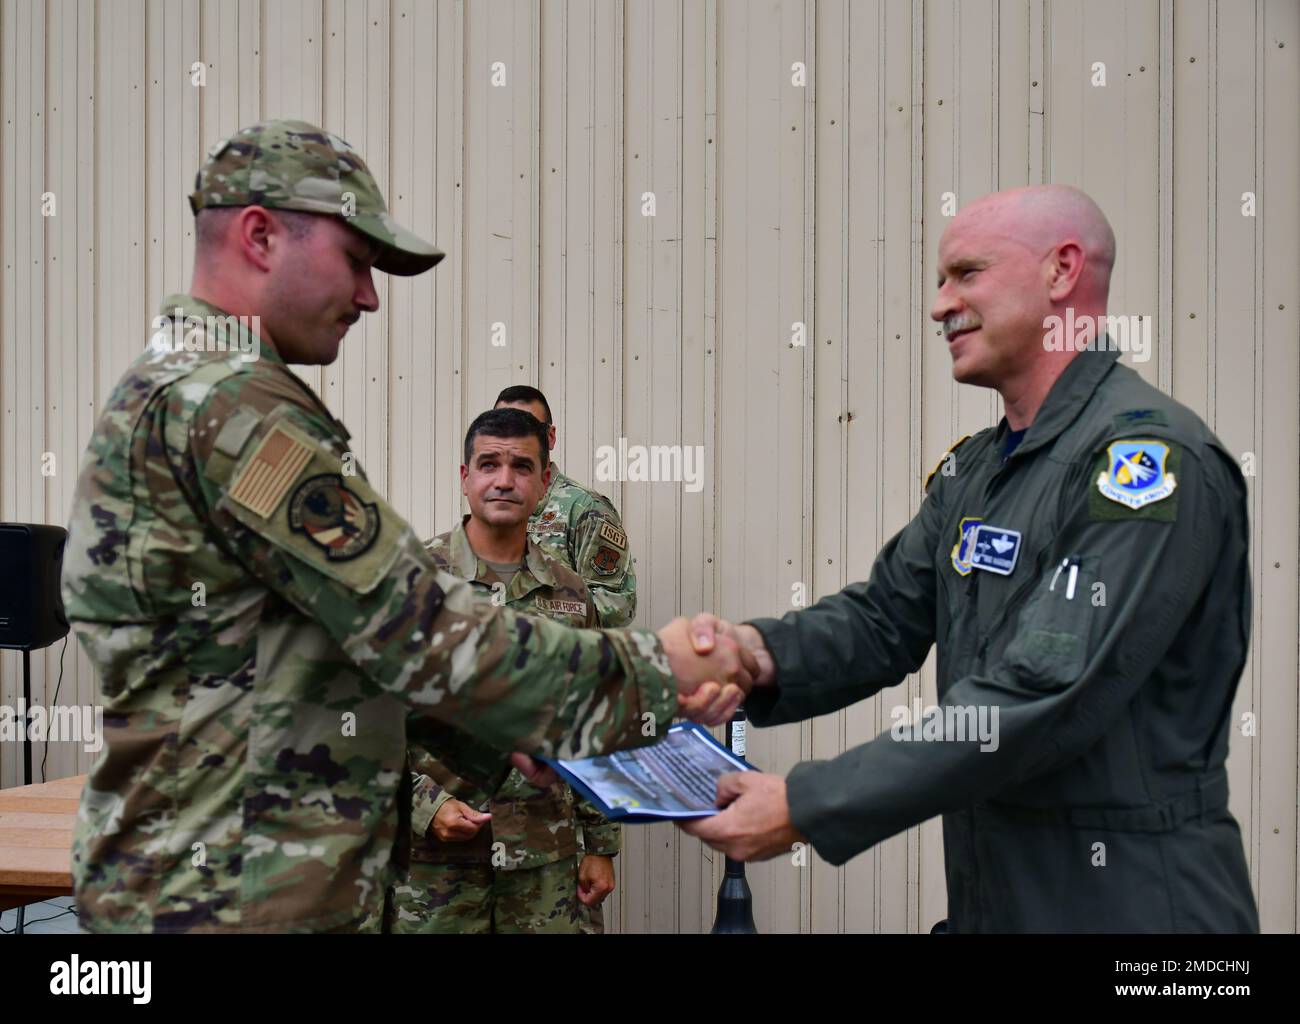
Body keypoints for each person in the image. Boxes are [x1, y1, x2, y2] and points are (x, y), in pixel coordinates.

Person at [59, 119, 752, 934]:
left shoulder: (180, 387)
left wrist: (511, 722)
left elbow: (329, 659)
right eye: (356, 259)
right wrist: (657, 671)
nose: (369, 295)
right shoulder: (232, 410)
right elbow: (417, 625)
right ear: (259, 235)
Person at [684, 185, 1260, 933]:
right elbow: (883, 618)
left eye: (966, 273)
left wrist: (806, 804)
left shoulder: (1145, 463)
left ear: (1061, 272)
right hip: (1000, 896)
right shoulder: (981, 470)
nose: (939, 304)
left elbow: (1039, 695)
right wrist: (752, 656)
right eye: (939, 280)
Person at [393, 408, 621, 933]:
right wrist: (425, 805)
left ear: (544, 482)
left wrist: (601, 845)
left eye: (521, 466)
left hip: (544, 863)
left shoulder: (570, 594)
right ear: (464, 476)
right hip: (434, 868)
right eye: (489, 463)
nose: (503, 480)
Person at [494, 386, 637, 627]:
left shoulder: (585, 509)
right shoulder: (490, 505)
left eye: (525, 428)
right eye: (500, 428)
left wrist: (535, 616)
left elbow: (617, 605)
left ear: (550, 437)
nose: (512, 440)